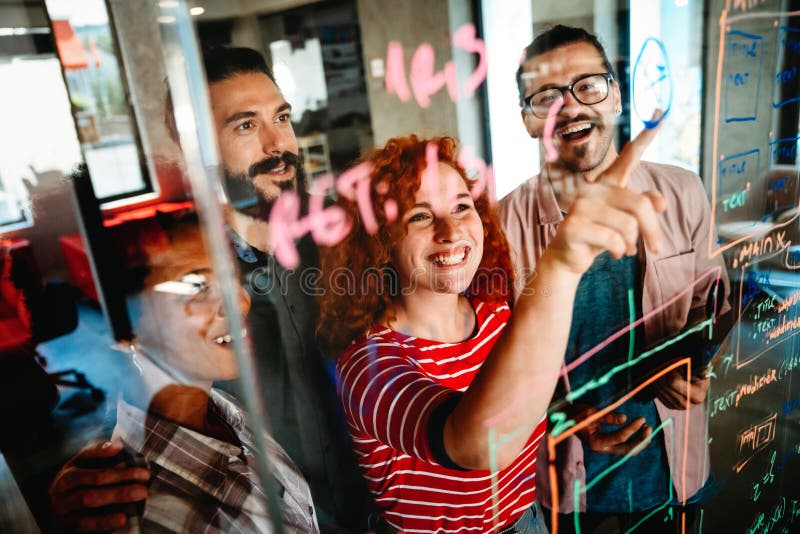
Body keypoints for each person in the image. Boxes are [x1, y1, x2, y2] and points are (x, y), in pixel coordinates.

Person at [316, 133, 666, 532]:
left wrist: (566, 418)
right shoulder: (367, 365)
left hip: (527, 522)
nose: (450, 230)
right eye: (420, 215)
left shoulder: (494, 312)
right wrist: (562, 263)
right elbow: (474, 444)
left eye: (461, 207)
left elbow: (510, 405)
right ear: (378, 240)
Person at [499, 25, 732, 532]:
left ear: (617, 96)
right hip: (566, 487)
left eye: (589, 86)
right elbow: (492, 374)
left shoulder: (684, 191)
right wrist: (561, 416)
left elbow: (716, 303)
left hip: (676, 466)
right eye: (546, 98)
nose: (572, 107)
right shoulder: (500, 228)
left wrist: (693, 362)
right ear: (527, 120)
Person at [170, 46, 373, 530]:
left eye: (281, 118)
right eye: (245, 126)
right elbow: (160, 425)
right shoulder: (184, 285)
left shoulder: (352, 239)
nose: (275, 143)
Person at [49, 224, 319, 532]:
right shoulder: (153, 515)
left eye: (232, 276)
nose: (241, 302)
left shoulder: (220, 407)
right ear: (128, 327)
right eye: (197, 286)